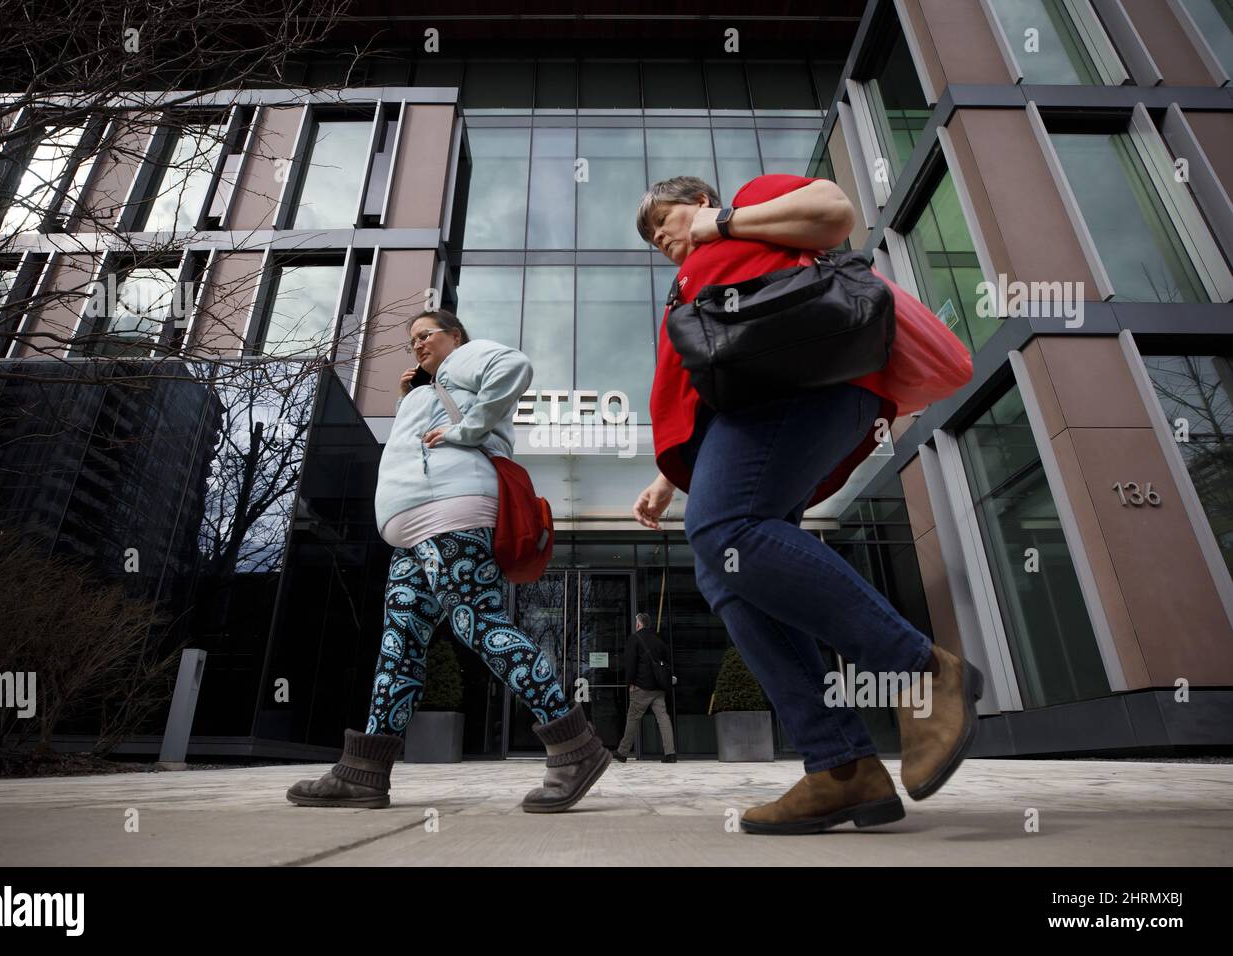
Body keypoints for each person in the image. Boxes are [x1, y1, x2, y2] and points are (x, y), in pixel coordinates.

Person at [632, 174, 983, 835]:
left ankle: (920, 670)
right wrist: (671, 478)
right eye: (651, 237)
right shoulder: (690, 284)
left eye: (663, 220)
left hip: (812, 376)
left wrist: (725, 222)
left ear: (700, 201)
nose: (659, 237)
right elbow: (699, 391)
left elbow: (833, 213)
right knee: (728, 572)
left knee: (727, 529)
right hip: (754, 416)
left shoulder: (751, 205)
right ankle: (841, 767)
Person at [287, 309, 610, 812]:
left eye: (426, 335)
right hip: (412, 533)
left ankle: (575, 747)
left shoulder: (464, 359)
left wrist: (468, 429)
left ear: (455, 336)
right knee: (399, 649)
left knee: (479, 622)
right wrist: (414, 399)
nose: (417, 345)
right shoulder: (432, 387)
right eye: (411, 341)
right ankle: (364, 773)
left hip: (450, 514)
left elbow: (514, 365)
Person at [614, 612, 676, 763]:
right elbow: (667, 663)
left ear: (639, 624)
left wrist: (630, 683)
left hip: (641, 687)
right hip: (658, 687)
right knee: (663, 718)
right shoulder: (659, 641)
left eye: (636, 622)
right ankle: (670, 753)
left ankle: (622, 752)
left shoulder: (634, 639)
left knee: (633, 719)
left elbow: (630, 664)